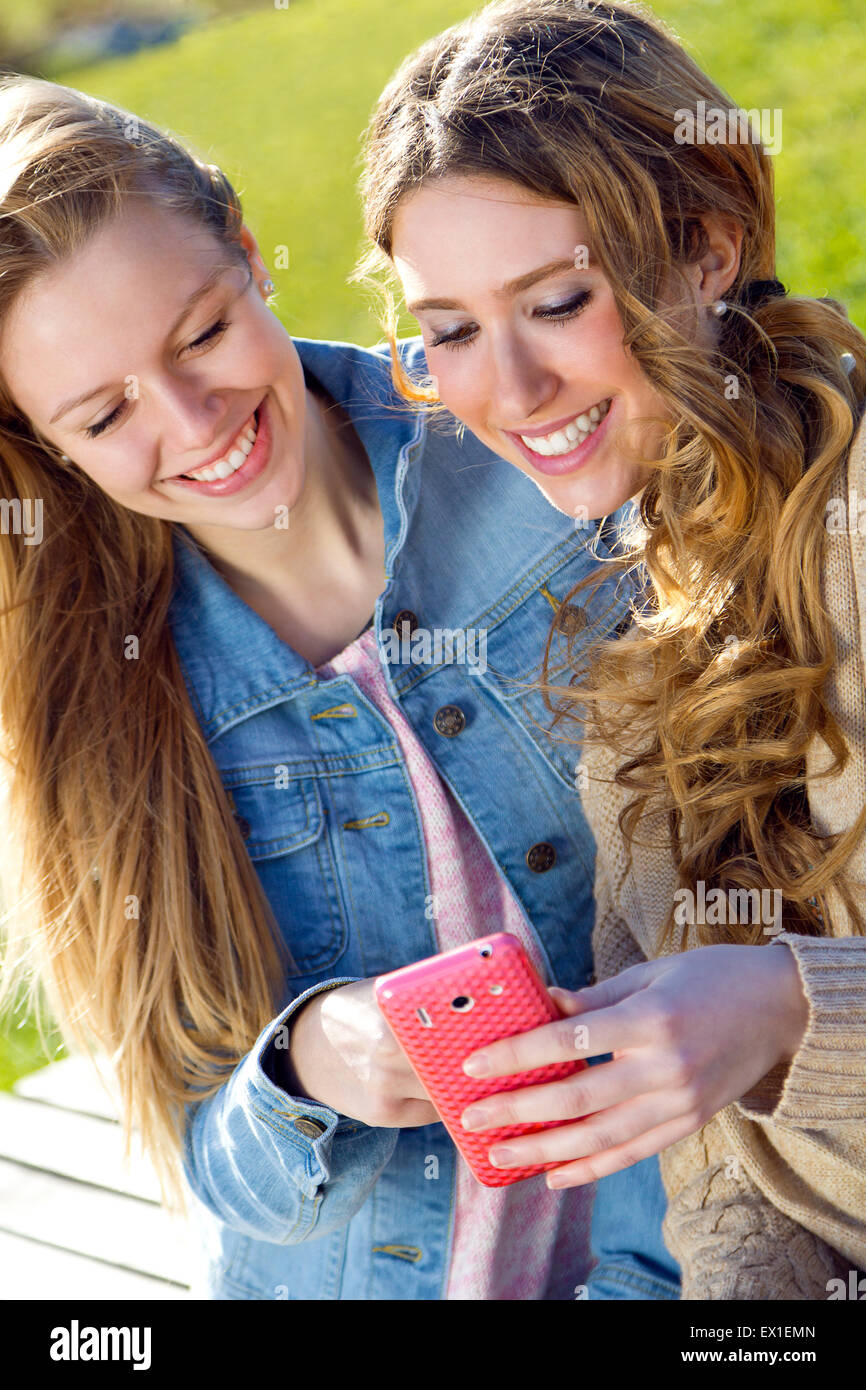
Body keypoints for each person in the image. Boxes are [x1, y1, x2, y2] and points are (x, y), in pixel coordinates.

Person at [0, 74, 680, 1300]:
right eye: (104, 416)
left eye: (201, 333)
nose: (195, 422)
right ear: (50, 446)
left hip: (673, 1263)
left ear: (251, 254)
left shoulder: (535, 441)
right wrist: (303, 1064)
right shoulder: (98, 697)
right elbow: (205, 1161)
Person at [359, 0, 866, 1297]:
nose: (510, 391)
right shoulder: (643, 594)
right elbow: (724, 1182)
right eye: (452, 330)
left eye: (557, 300)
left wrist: (783, 1010)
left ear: (705, 246)